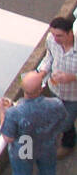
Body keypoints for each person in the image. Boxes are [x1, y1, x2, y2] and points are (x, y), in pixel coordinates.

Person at [37, 15, 77, 155]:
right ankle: (68, 142)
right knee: (62, 118)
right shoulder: (51, 40)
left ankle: (68, 142)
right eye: (53, 34)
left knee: (65, 122)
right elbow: (49, 57)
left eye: (59, 36)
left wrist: (71, 77)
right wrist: (42, 73)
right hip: (56, 89)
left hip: (74, 95)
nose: (55, 39)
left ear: (70, 33)